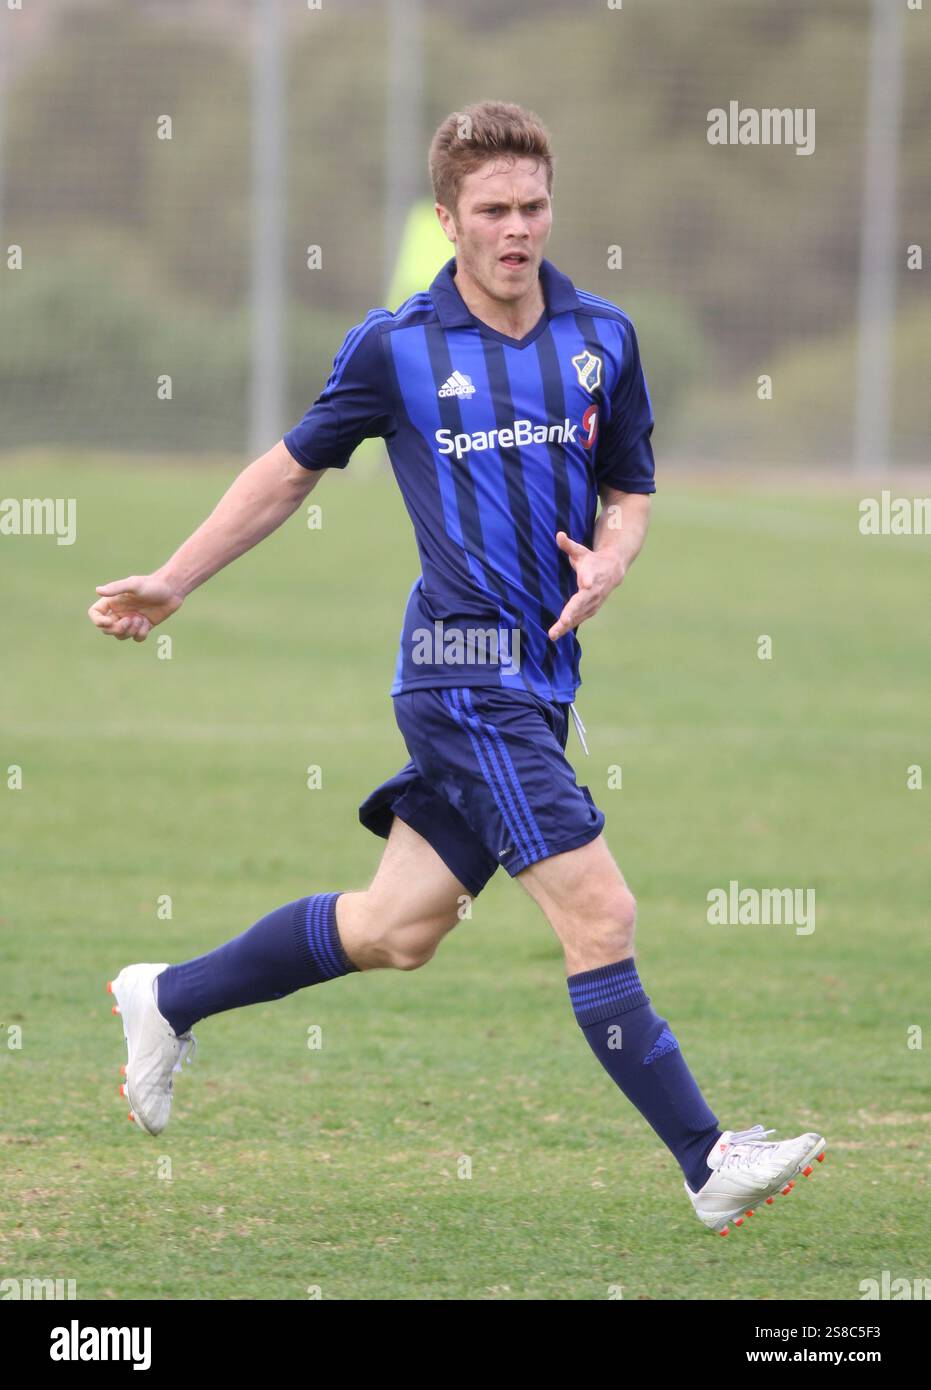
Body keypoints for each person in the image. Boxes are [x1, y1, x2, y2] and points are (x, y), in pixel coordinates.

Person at [89, 101, 825, 1236]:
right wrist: (175, 580)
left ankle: (168, 994)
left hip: (540, 675)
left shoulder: (603, 337)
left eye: (532, 206)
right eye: (492, 211)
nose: (516, 228)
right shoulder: (396, 347)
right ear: (447, 219)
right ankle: (707, 1159)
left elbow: (629, 489)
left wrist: (612, 557)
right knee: (601, 913)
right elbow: (287, 471)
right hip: (460, 670)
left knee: (398, 929)